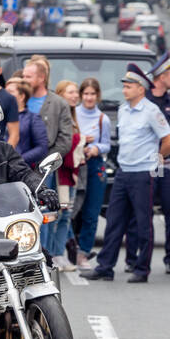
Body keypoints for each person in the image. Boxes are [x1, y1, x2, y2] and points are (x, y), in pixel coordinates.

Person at [81, 63, 170, 283]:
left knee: (143, 223)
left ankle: (142, 269)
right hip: (124, 172)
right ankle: (106, 266)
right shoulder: (123, 109)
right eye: (124, 86)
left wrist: (155, 161)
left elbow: (169, 142)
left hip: (143, 173)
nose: (124, 90)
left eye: (129, 86)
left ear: (141, 88)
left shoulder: (151, 111)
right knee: (114, 221)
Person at [145, 53, 170, 274]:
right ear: (160, 77)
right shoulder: (145, 101)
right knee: (143, 211)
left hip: (169, 163)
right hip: (148, 162)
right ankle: (139, 258)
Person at [72, 77, 111, 266]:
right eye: (86, 94)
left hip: (94, 164)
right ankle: (68, 247)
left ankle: (83, 252)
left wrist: (96, 148)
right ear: (81, 95)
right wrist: (80, 140)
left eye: (92, 94)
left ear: (98, 96)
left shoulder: (103, 119)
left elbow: (107, 145)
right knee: (70, 209)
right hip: (76, 164)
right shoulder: (73, 114)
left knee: (91, 212)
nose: (89, 98)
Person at [47, 80, 83, 270]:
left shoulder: (74, 117)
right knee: (58, 216)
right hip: (61, 175)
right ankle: (52, 253)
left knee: (65, 216)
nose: (75, 96)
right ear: (60, 95)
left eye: (76, 92)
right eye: (70, 92)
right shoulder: (60, 117)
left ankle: (60, 253)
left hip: (71, 176)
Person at [22, 57, 74, 184]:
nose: (24, 80)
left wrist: (45, 161)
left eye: (28, 77)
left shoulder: (58, 103)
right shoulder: (19, 100)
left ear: (41, 78)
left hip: (43, 168)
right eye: (23, 76)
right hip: (19, 166)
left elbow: (65, 140)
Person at [10, 79, 50, 168]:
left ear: (22, 96)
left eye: (10, 92)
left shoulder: (33, 118)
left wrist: (18, 159)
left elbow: (42, 148)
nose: (5, 95)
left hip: (20, 170)